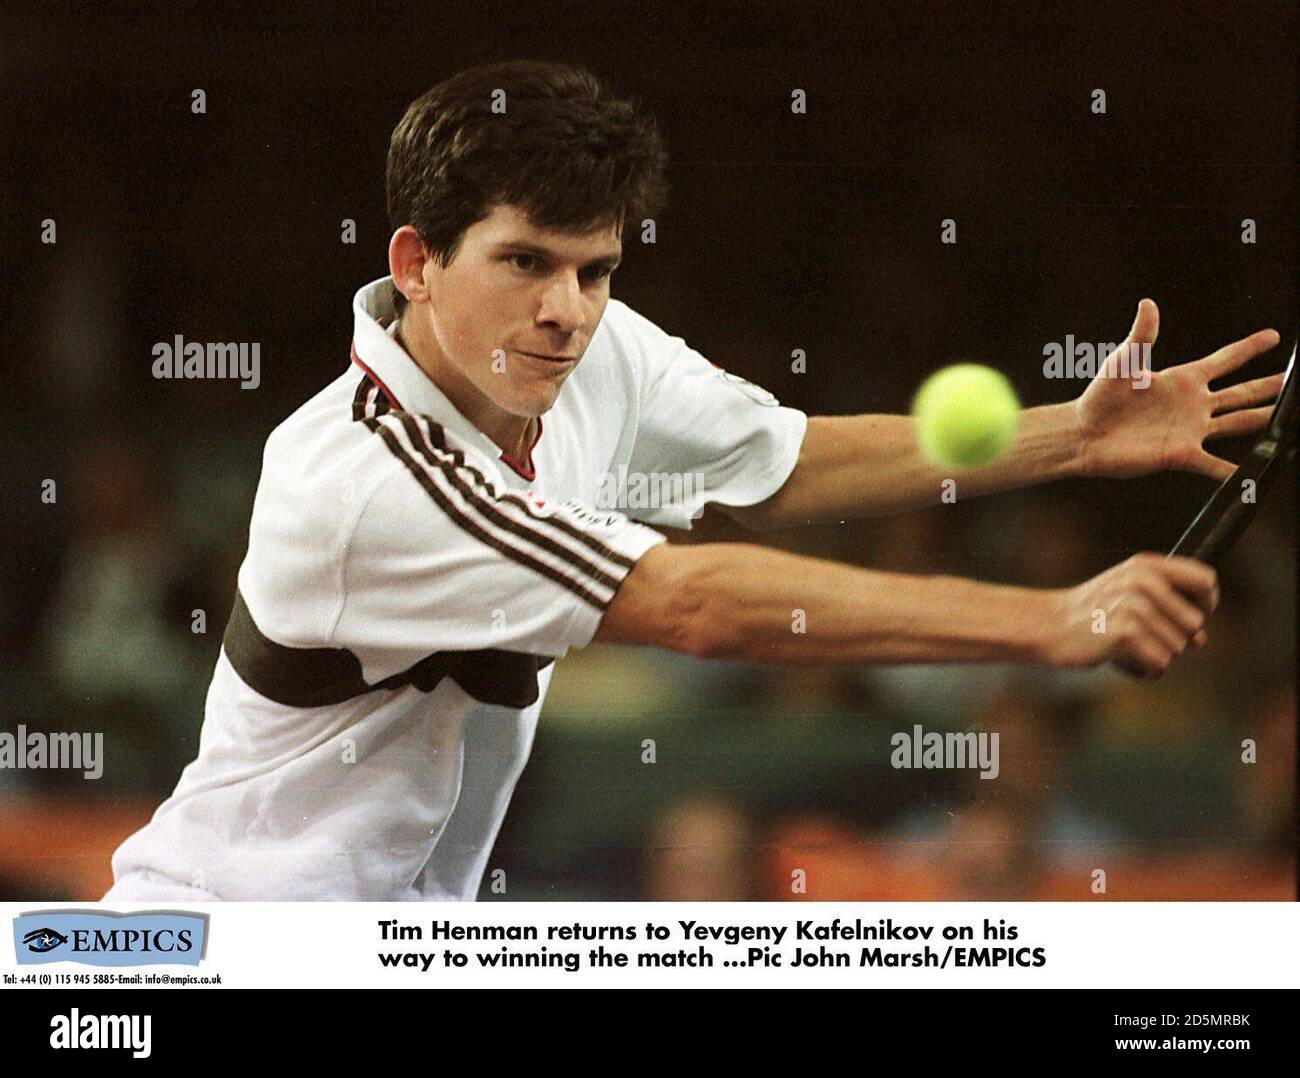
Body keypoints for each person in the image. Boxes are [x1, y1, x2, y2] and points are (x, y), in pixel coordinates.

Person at [104, 60, 1283, 901]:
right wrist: (1053, 618)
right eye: (523, 263)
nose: (565, 312)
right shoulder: (367, 477)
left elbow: (775, 464)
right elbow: (693, 603)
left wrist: (1069, 437)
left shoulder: (586, 352)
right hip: (224, 949)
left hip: (397, 946)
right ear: (415, 262)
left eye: (594, 269)